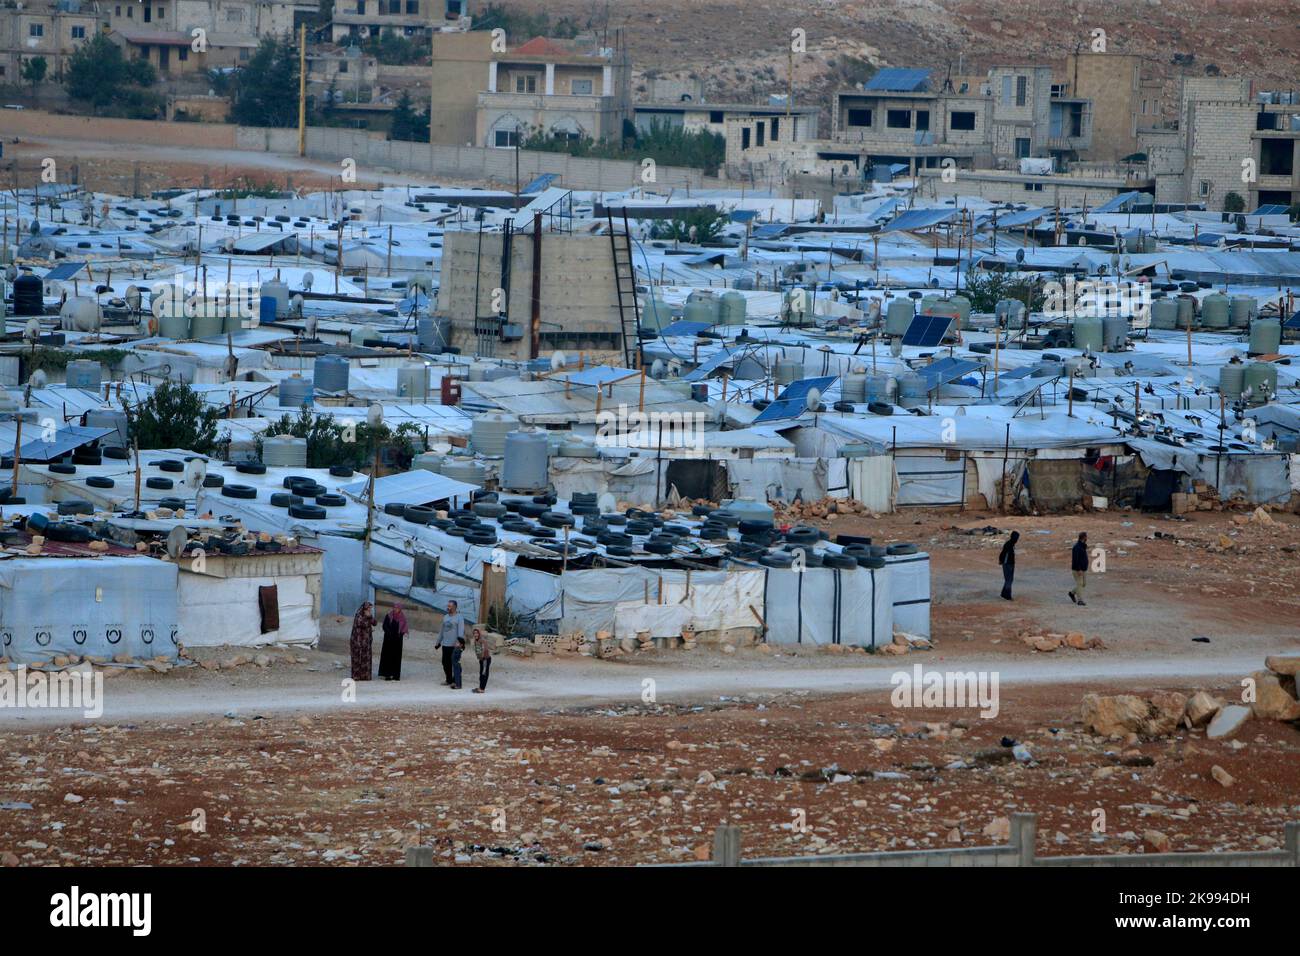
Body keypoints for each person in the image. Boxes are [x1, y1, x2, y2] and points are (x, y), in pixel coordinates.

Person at [377, 603, 408, 681]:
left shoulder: (402, 617)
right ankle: (387, 675)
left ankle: (395, 675)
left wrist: (400, 634)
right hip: (388, 639)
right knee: (387, 656)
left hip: (397, 641)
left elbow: (404, 628)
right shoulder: (389, 616)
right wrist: (389, 633)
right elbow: (384, 626)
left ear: (400, 609)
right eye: (394, 608)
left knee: (396, 657)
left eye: (397, 608)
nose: (395, 609)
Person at [438, 600, 464, 686]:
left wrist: (459, 642)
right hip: (445, 644)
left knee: (454, 663)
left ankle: (455, 681)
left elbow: (461, 631)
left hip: (454, 645)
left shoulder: (459, 617)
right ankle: (448, 679)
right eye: (448, 606)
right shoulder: (445, 617)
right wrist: (438, 642)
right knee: (445, 662)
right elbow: (442, 631)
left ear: (455, 607)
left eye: (450, 606)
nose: (448, 607)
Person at [350, 601, 376, 681]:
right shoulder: (359, 615)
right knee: (357, 658)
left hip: (367, 641)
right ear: (365, 608)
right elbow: (362, 624)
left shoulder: (369, 615)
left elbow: (375, 623)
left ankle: (365, 676)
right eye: (369, 608)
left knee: (366, 658)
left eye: (370, 609)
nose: (369, 610)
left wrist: (370, 616)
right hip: (357, 641)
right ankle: (356, 676)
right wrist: (367, 617)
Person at [1069, 532, 1089, 606]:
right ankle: (1080, 600)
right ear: (1084, 537)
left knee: (1083, 584)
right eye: (1086, 537)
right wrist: (1079, 569)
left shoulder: (1082, 545)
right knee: (1080, 584)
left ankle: (1072, 593)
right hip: (1078, 570)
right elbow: (1075, 560)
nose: (1087, 538)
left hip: (1083, 569)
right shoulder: (1076, 547)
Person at [998, 531, 1019, 601]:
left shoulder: (1011, 544)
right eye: (1016, 538)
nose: (1017, 540)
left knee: (1009, 580)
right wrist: (1001, 561)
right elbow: (1003, 553)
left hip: (1010, 563)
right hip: (1007, 564)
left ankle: (1004, 593)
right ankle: (1007, 595)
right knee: (1009, 580)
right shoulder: (1009, 544)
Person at [472, 626, 492, 694]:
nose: (475, 634)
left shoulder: (482, 640)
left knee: (484, 674)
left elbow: (484, 649)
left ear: (479, 634)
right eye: (474, 633)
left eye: (477, 633)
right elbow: (477, 651)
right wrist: (479, 658)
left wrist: (483, 657)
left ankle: (482, 689)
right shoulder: (475, 641)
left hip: (485, 659)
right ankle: (480, 687)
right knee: (481, 673)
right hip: (481, 659)